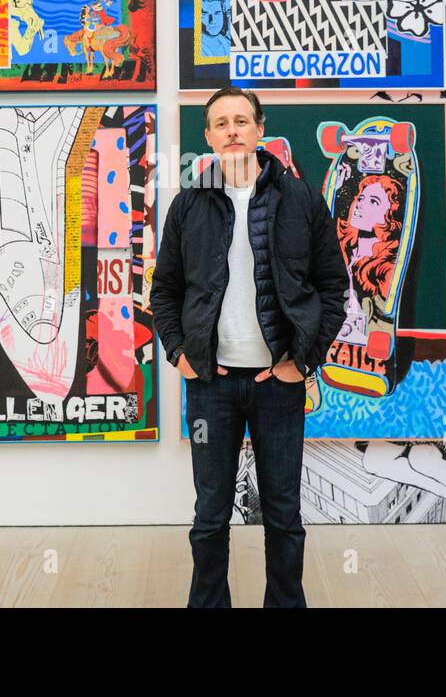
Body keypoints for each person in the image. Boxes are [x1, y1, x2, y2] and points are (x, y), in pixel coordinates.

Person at [151, 86, 348, 607]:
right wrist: (178, 353)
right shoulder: (187, 205)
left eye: (242, 120)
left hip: (278, 386)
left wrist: (303, 361)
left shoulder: (301, 199)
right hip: (210, 388)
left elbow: (333, 287)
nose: (233, 130)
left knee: (283, 513)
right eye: (221, 123)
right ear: (209, 136)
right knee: (210, 514)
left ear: (261, 128)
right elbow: (165, 290)